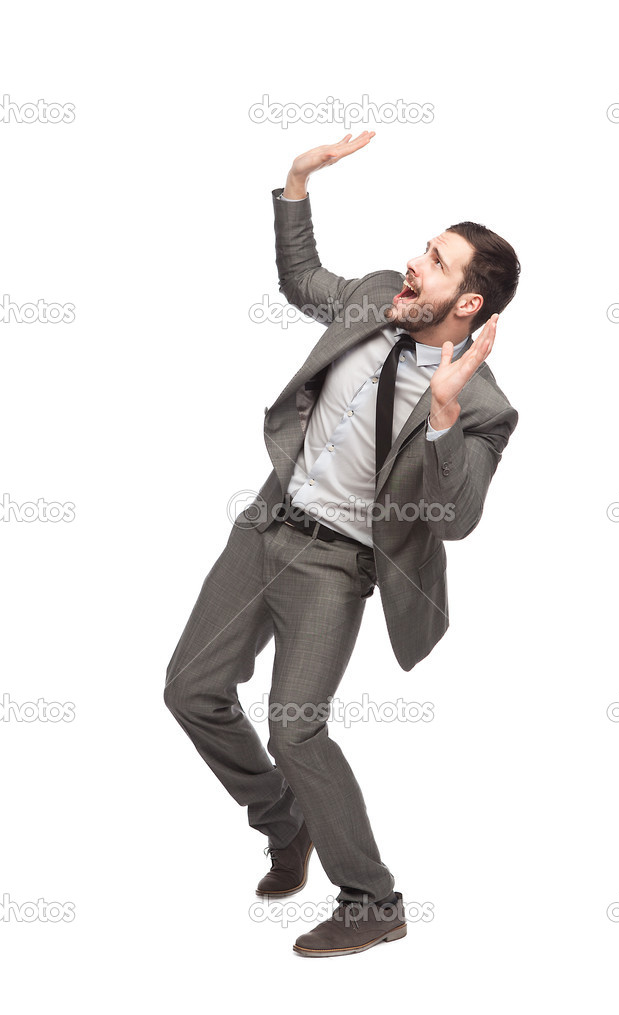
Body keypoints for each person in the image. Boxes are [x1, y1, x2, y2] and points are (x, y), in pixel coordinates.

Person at [164, 131, 520, 957]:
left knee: (295, 726)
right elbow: (302, 281)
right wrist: (295, 182)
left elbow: (458, 517)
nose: (414, 260)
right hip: (265, 525)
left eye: (434, 260)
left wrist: (440, 416)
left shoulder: (484, 405)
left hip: (336, 563)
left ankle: (373, 899)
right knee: (190, 690)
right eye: (424, 247)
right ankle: (285, 823)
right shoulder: (373, 299)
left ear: (467, 304)